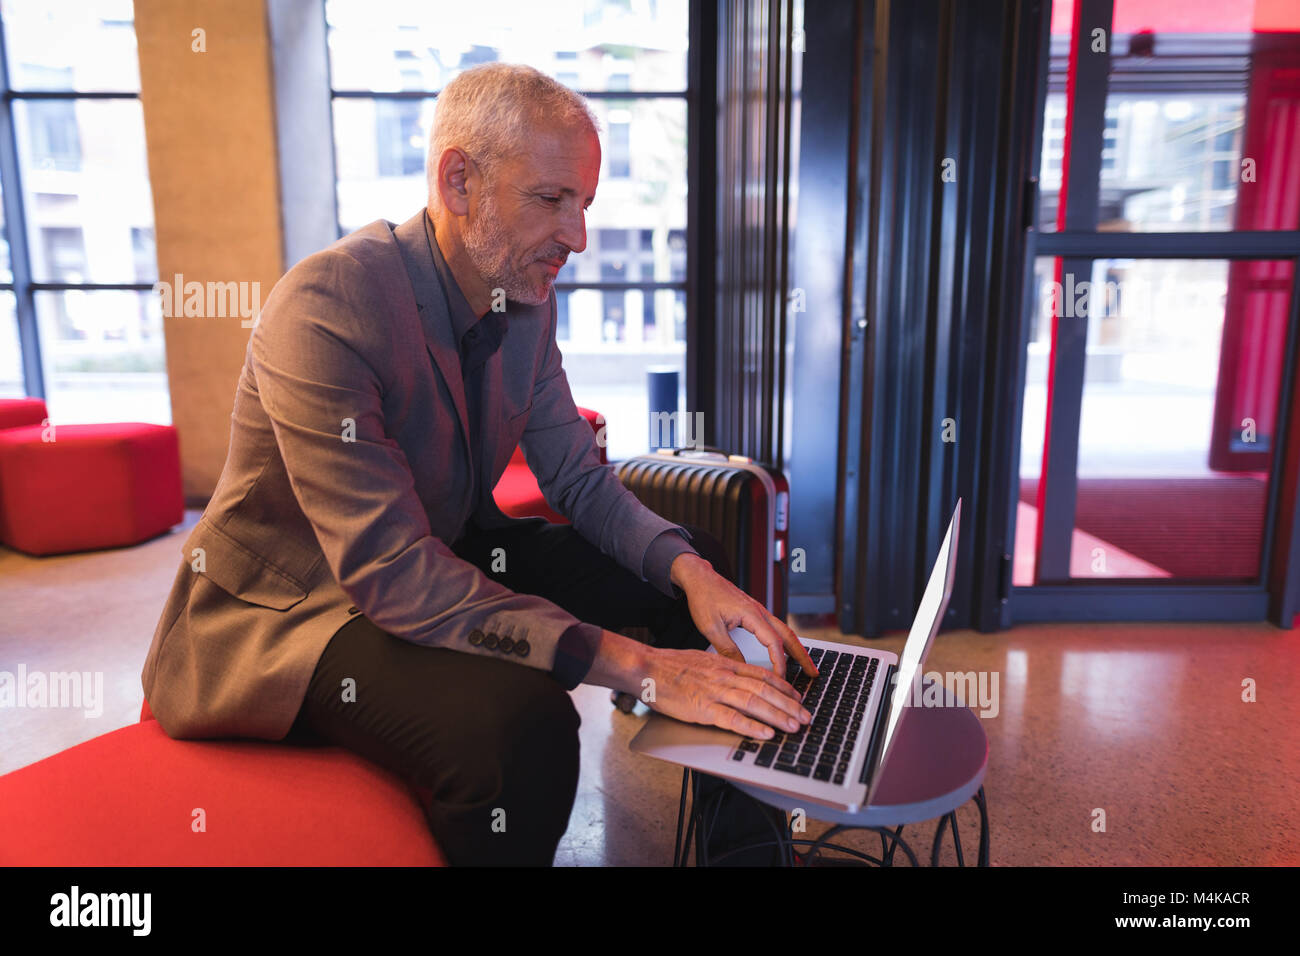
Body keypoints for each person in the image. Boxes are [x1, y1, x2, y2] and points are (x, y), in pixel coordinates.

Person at [140, 62, 815, 865]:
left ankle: (746, 855)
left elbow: (577, 478)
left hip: (441, 555)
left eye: (585, 205)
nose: (578, 237)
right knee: (519, 725)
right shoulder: (326, 305)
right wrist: (638, 668)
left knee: (692, 566)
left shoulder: (522, 296)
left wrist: (692, 575)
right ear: (459, 180)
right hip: (300, 612)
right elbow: (388, 572)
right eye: (552, 199)